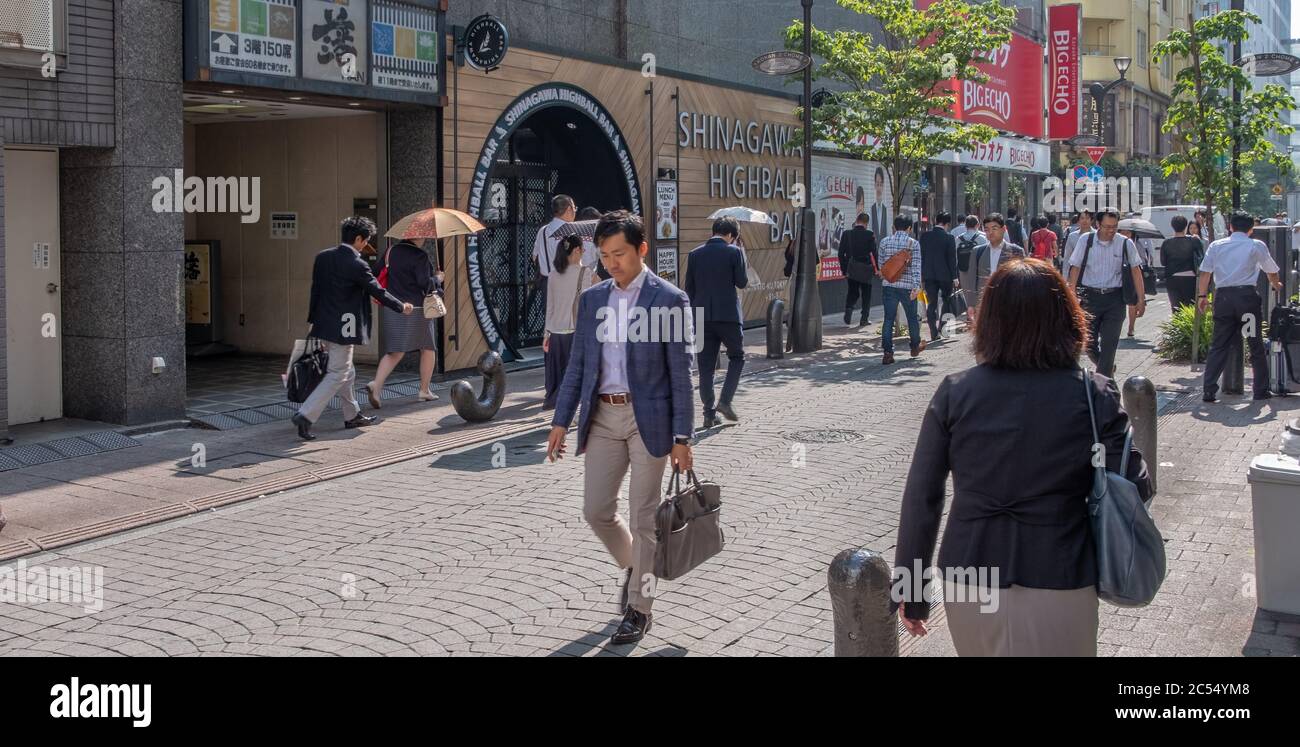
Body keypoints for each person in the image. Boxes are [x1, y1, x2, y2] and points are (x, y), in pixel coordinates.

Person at [893, 259, 1151, 656]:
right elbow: (1138, 484)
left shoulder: (955, 392)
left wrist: (911, 592)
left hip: (971, 570)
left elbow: (922, 499)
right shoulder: (1094, 393)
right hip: (1062, 568)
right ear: (1066, 317)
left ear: (990, 321)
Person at [546, 210, 695, 646]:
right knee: (596, 511)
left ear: (641, 249)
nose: (612, 263)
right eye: (604, 255)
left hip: (650, 419)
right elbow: (578, 367)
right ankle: (638, 567)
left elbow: (682, 373)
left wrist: (683, 437)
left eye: (620, 254)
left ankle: (639, 607)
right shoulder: (593, 300)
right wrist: (560, 419)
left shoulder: (669, 299)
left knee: (644, 519)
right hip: (603, 417)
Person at [293, 216, 413, 441]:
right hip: (344, 327)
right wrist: (402, 307)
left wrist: (313, 321)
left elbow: (315, 291)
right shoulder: (357, 264)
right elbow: (378, 291)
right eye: (365, 241)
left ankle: (352, 415)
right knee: (338, 373)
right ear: (358, 239)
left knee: (347, 372)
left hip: (322, 323)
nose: (366, 246)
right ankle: (305, 415)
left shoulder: (323, 257)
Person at [1198, 211, 1285, 403]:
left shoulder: (1216, 245)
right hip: (1246, 300)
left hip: (1224, 300)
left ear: (1230, 227)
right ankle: (1260, 391)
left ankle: (1209, 390)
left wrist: (1202, 296)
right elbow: (1272, 271)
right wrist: (1275, 284)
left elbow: (1205, 273)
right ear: (1251, 228)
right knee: (1255, 344)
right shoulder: (1256, 245)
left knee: (1219, 345)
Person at [1065, 209, 1146, 380]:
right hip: (1089, 298)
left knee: (1110, 344)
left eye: (1115, 227)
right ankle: (1107, 368)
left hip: (1115, 300)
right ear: (1098, 225)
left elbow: (1136, 271)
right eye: (1107, 227)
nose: (1111, 231)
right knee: (1089, 343)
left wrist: (1141, 299)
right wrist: (1072, 296)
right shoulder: (1085, 241)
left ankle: (1104, 387)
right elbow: (1075, 268)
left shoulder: (1125, 243)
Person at [685, 216, 748, 428]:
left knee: (705, 367)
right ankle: (725, 401)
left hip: (702, 316)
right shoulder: (734, 252)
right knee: (737, 357)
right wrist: (742, 255)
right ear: (731, 235)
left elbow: (689, 289)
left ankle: (708, 413)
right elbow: (742, 281)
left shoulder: (695, 254)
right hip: (728, 315)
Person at [365, 239, 444, 409]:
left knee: (395, 351)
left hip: (392, 306)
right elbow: (425, 284)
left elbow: (374, 273)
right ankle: (424, 390)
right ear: (419, 237)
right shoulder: (419, 255)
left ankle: (376, 386)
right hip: (416, 308)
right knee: (428, 348)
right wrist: (437, 278)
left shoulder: (391, 251)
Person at [878, 214, 926, 365]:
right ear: (909, 228)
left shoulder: (884, 242)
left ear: (894, 227)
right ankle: (914, 347)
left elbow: (882, 266)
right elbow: (916, 268)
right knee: (912, 318)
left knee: (888, 319)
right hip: (907, 288)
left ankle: (887, 353)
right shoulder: (913, 244)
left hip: (889, 286)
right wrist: (916, 287)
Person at [961, 212, 1024, 318]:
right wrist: (971, 304)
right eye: (987, 229)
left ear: (1003, 229)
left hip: (1009, 302)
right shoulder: (978, 252)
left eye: (994, 228)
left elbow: (1022, 281)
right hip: (984, 303)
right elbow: (971, 279)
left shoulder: (1016, 251)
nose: (990, 232)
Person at [532, 194, 577, 321]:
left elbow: (535, 257)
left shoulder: (543, 230)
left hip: (548, 284)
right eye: (574, 208)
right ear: (569, 209)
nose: (575, 212)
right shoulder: (573, 231)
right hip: (568, 284)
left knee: (551, 324)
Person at [920, 211, 959, 342]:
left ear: (935, 221)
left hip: (929, 275)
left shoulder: (925, 236)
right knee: (947, 300)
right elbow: (952, 259)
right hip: (946, 275)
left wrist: (922, 275)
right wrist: (955, 277)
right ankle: (945, 328)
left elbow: (922, 257)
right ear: (947, 224)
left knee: (931, 303)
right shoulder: (949, 238)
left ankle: (933, 332)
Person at [837, 211, 878, 328]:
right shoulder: (870, 234)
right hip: (866, 269)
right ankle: (864, 319)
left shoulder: (847, 234)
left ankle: (849, 310)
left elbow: (841, 254)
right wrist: (878, 269)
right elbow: (874, 253)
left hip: (852, 269)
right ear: (866, 223)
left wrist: (844, 269)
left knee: (852, 292)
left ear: (856, 220)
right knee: (866, 294)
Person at [1161, 215, 1203, 311]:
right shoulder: (1194, 240)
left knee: (1176, 307)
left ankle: (1177, 326)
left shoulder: (1166, 243)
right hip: (1190, 278)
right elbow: (1201, 257)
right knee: (1191, 307)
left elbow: (1163, 262)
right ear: (1185, 227)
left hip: (1172, 278)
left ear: (1172, 226)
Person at [1121, 228, 1155, 338]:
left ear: (1132, 233)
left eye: (1128, 232)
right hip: (1120, 275)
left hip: (1133, 276)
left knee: (1132, 303)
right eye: (1123, 232)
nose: (1125, 234)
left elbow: (1142, 260)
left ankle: (1131, 327)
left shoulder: (1138, 244)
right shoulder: (1117, 244)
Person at [869, 166, 890, 240]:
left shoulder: (886, 209)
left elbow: (888, 232)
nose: (879, 188)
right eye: (877, 184)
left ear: (883, 186)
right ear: (874, 185)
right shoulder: (871, 209)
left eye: (881, 184)